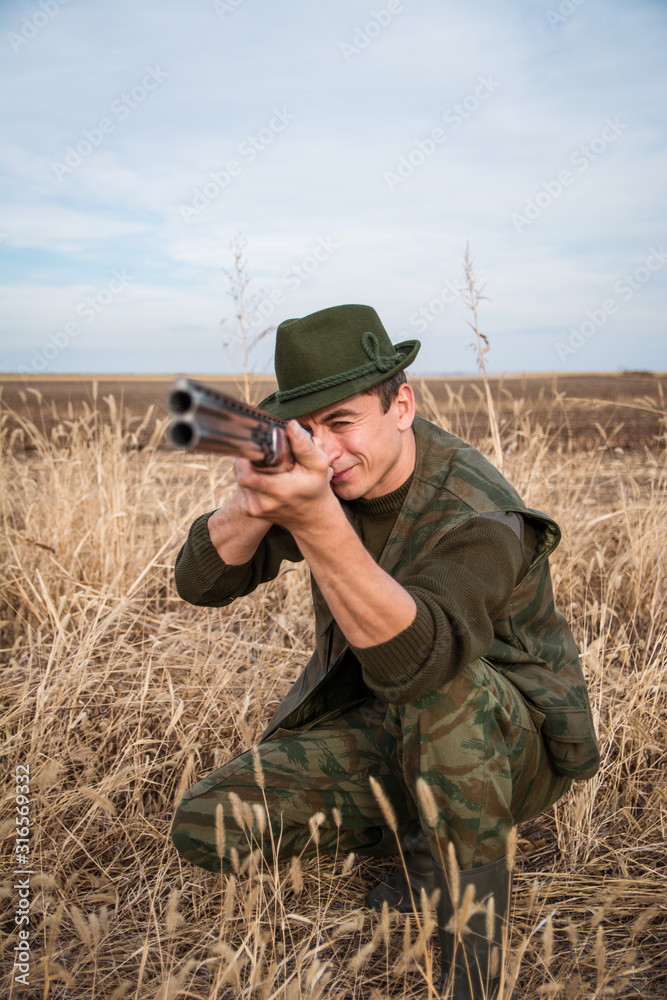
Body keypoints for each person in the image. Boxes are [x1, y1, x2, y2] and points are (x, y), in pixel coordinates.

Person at [170, 304, 600, 999]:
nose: (326, 451)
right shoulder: (332, 474)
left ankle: (472, 971)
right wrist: (248, 505)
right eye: (304, 431)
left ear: (401, 404)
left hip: (513, 743)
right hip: (392, 720)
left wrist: (314, 521)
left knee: (442, 690)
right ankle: (417, 833)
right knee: (207, 824)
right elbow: (200, 584)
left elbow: (422, 662)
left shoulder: (478, 513)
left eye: (341, 424)